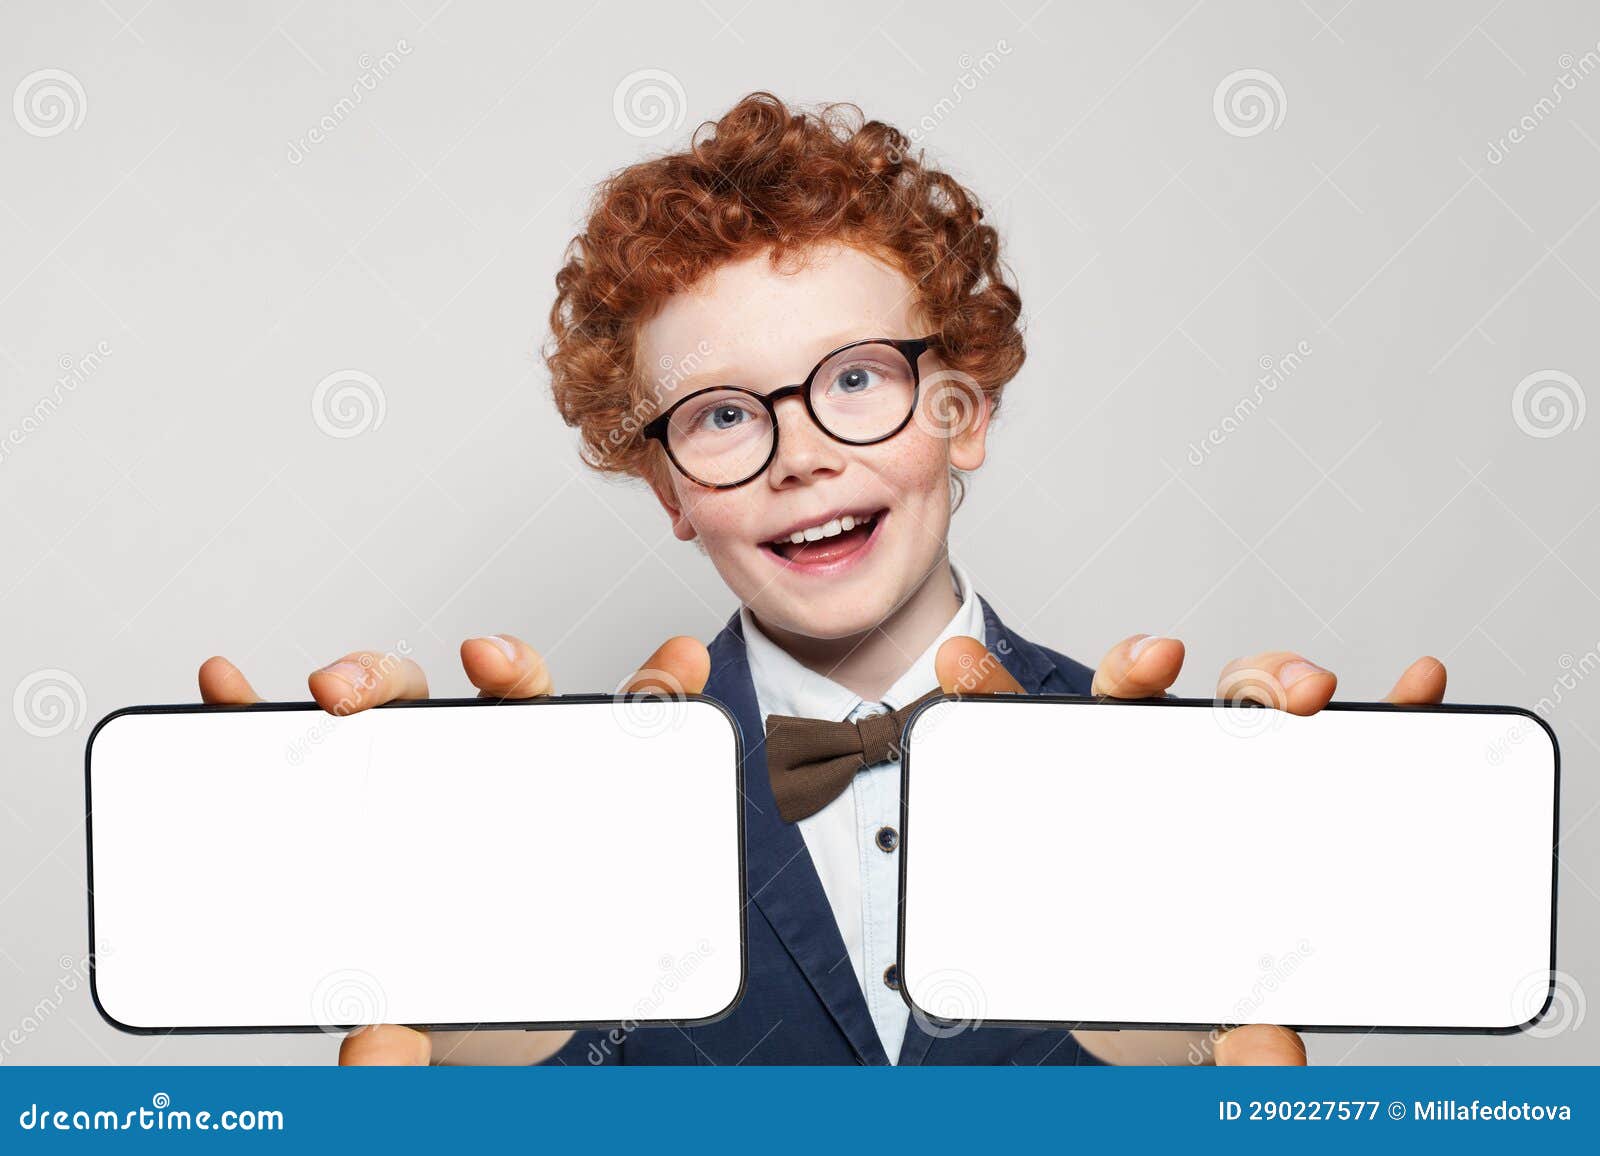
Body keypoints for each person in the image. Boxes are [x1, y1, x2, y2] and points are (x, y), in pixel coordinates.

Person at [197, 92, 1446, 1065]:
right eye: (725, 414)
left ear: (963, 409)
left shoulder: (1186, 801)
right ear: (670, 491)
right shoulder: (551, 836)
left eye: (856, 379)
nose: (800, 455)